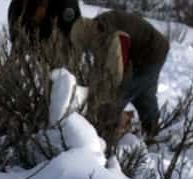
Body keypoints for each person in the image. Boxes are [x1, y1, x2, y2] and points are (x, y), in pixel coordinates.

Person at [70, 8, 170, 138]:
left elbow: (115, 73)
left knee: (122, 94)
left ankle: (106, 134)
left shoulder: (112, 36)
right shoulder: (98, 27)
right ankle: (151, 129)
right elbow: (102, 63)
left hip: (151, 53)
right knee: (144, 94)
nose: (87, 49)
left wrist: (104, 100)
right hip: (149, 50)